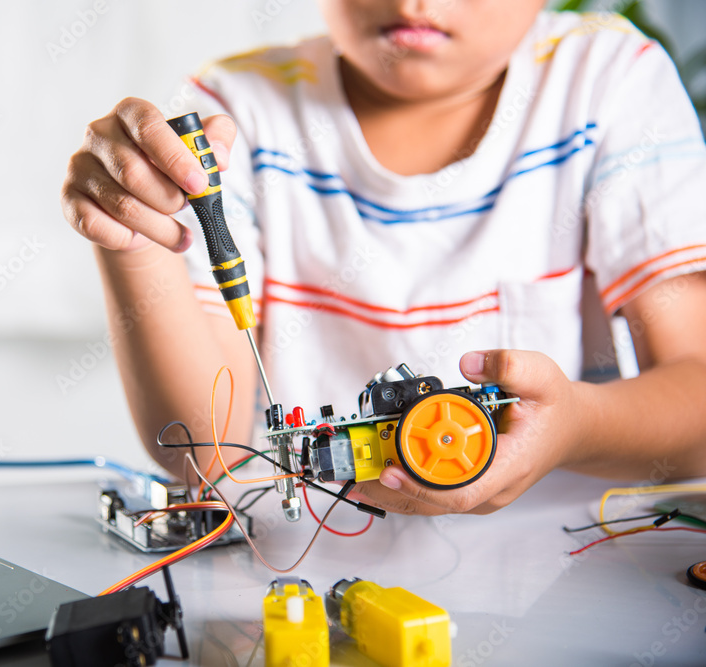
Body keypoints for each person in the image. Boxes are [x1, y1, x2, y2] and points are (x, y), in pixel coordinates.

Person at [61, 0, 706, 516]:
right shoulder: (239, 111)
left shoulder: (610, 82)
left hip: (566, 576)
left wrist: (578, 427)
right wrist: (134, 237)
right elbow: (202, 449)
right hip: (311, 575)